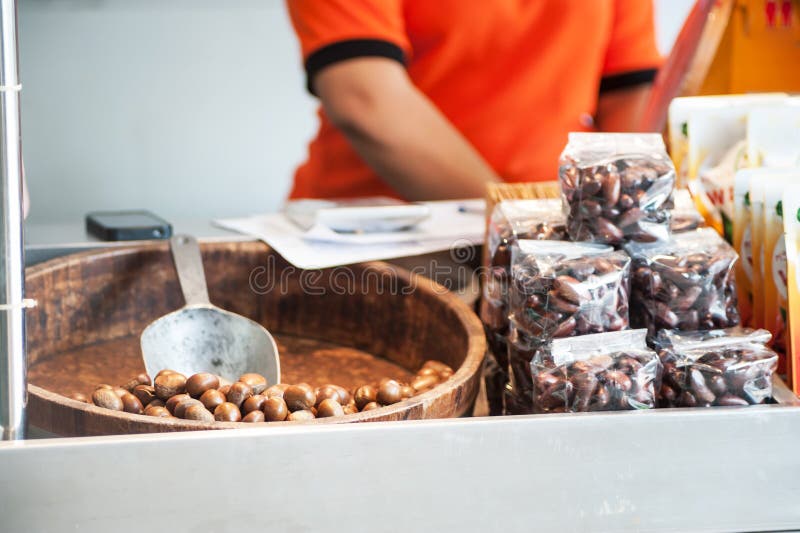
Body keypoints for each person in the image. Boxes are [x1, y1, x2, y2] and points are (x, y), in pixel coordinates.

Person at [286, 0, 662, 201]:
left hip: (555, 233)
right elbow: (364, 98)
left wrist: (616, 215)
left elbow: (629, 96)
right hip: (376, 233)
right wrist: (519, 223)